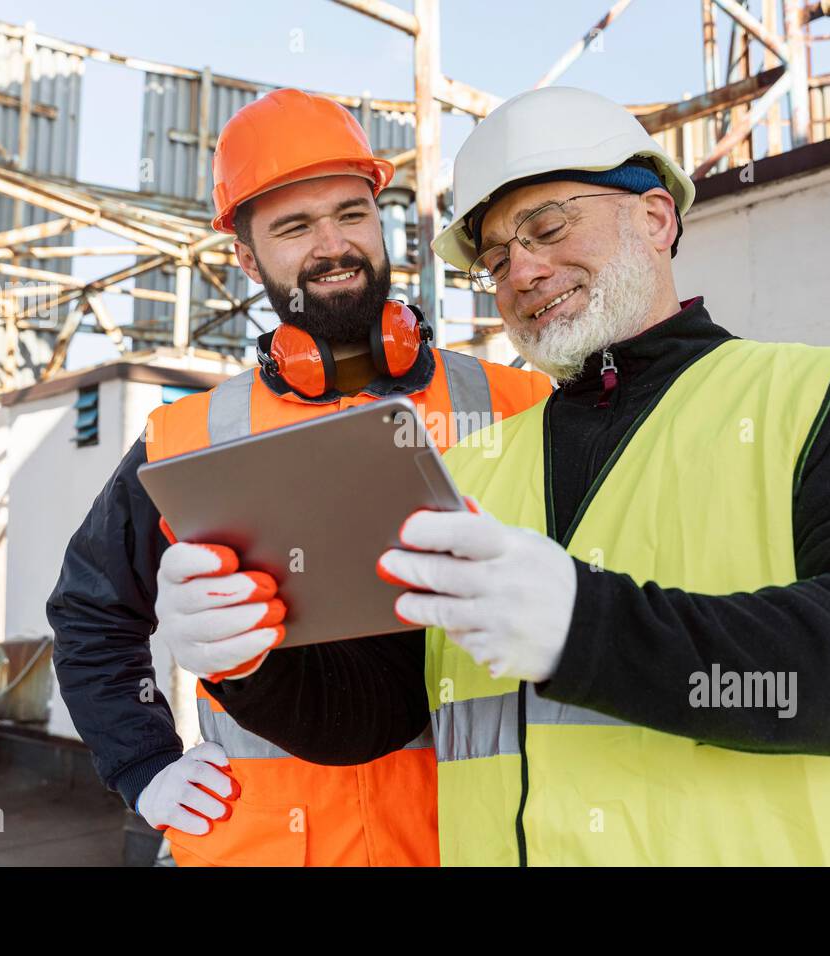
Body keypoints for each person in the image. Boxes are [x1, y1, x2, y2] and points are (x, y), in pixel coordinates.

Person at [158, 86, 830, 866]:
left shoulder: (822, 396)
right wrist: (248, 656)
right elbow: (373, 713)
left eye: (549, 229)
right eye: (495, 258)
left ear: (657, 217)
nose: (521, 273)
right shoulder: (477, 464)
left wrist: (587, 630)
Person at [47, 88, 551, 867]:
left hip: (470, 842)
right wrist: (141, 763)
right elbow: (91, 615)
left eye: (352, 213)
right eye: (294, 226)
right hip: (269, 849)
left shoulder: (518, 403)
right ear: (246, 257)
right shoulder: (186, 438)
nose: (334, 244)